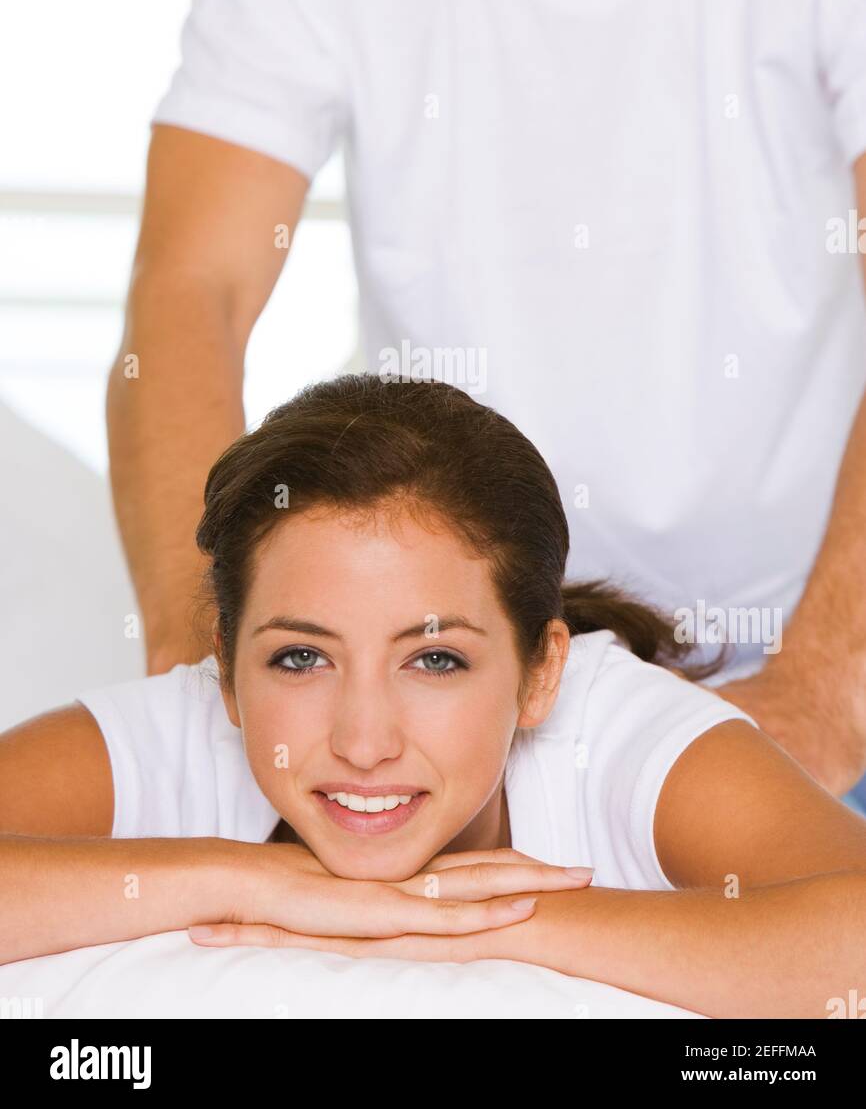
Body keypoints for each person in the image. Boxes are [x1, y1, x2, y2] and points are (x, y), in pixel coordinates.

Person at [108, 0, 866, 807]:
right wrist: (212, 674)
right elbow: (193, 291)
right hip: (451, 680)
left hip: (816, 639)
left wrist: (823, 692)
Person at [4, 374, 866, 1016]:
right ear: (226, 671)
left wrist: (468, 919)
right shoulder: (186, 729)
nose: (364, 741)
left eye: (436, 661)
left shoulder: (618, 733)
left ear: (540, 674)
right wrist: (259, 881)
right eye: (302, 658)